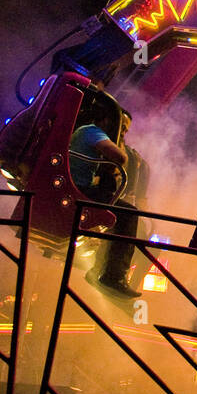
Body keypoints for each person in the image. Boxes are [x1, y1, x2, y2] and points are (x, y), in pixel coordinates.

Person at [70, 111, 141, 299]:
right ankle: (114, 276)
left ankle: (99, 269)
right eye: (122, 127)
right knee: (129, 214)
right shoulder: (93, 132)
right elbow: (120, 157)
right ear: (107, 119)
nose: (123, 133)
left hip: (78, 188)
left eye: (125, 130)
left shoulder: (84, 132)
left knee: (114, 214)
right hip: (79, 191)